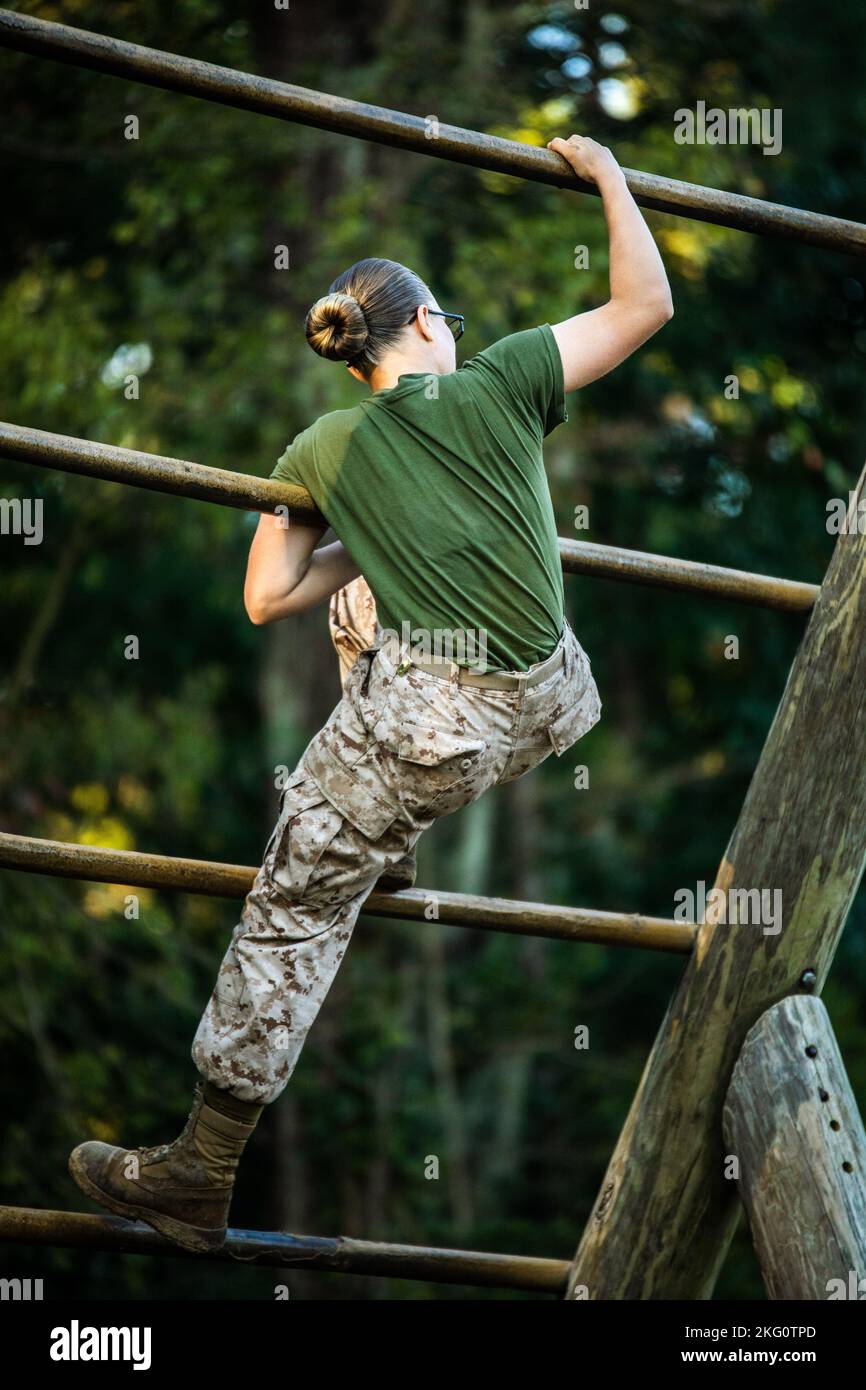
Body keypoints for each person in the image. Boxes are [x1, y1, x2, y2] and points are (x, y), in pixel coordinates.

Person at [68, 135, 673, 1253]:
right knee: (369, 619)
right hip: (547, 696)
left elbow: (267, 596)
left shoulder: (324, 442)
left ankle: (198, 1170)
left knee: (292, 903)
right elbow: (645, 301)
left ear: (354, 362)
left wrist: (350, 524)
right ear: (432, 323)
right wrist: (605, 173)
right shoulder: (505, 374)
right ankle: (385, 839)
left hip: (434, 726)